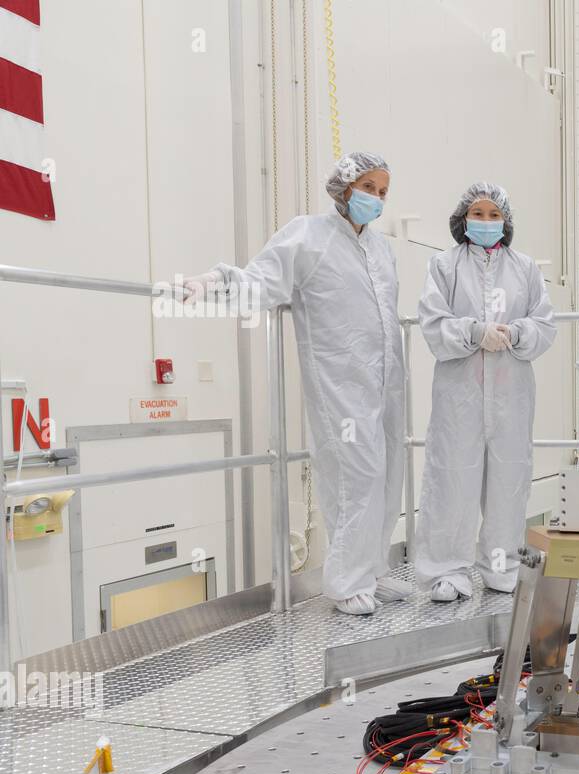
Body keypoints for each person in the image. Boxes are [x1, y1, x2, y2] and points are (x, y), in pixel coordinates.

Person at [182, 152, 411, 616]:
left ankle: (373, 570)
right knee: (355, 476)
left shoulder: (382, 248)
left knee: (389, 472)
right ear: (344, 187)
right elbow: (265, 280)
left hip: (388, 381)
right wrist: (220, 280)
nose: (377, 198)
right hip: (340, 384)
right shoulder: (309, 235)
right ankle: (346, 582)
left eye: (383, 191)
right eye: (369, 187)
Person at [414, 183, 556, 601]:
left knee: (509, 480)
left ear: (506, 221)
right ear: (463, 218)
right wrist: (474, 332)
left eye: (495, 215)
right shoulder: (444, 265)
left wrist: (515, 333)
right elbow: (432, 321)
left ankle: (501, 567)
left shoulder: (526, 268)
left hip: (511, 394)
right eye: (478, 213)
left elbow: (544, 324)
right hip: (459, 396)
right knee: (451, 479)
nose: (487, 221)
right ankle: (447, 571)